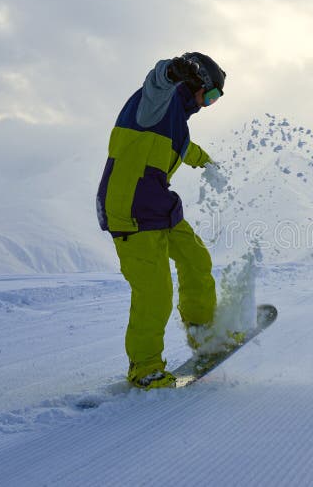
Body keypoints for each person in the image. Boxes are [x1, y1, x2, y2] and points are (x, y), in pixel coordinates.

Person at [96, 52, 226, 389]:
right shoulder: (155, 103)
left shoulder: (177, 124)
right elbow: (156, 83)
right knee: (155, 292)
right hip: (132, 211)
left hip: (159, 208)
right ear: (196, 84)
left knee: (197, 260)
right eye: (210, 96)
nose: (208, 104)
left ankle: (203, 334)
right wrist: (171, 71)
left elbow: (185, 148)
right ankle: (145, 368)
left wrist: (207, 162)